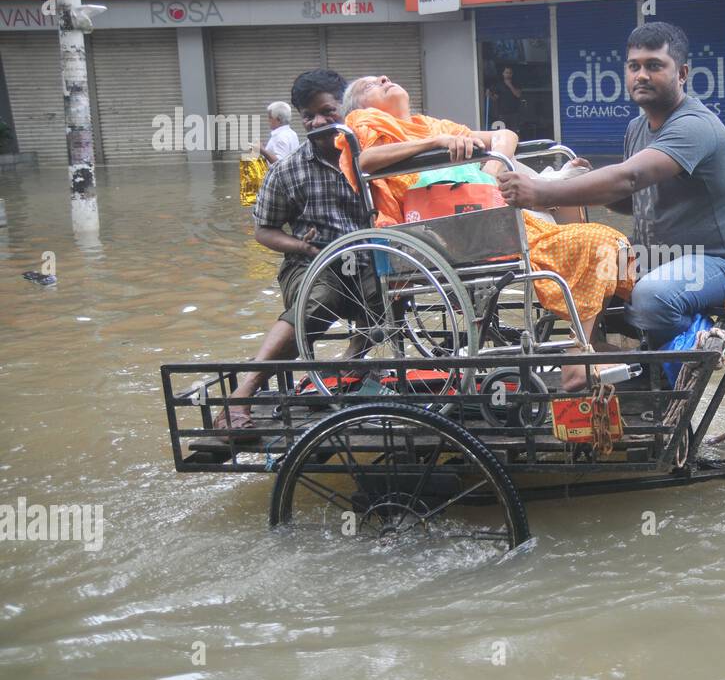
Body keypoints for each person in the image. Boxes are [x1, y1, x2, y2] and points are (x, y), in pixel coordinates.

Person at [336, 74, 636, 391]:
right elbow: (363, 161)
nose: (384, 79)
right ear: (361, 104)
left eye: (383, 78)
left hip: (485, 214)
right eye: (370, 85)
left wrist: (492, 169)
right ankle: (578, 359)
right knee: (600, 242)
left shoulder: (429, 123)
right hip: (443, 231)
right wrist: (435, 144)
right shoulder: (365, 121)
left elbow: (504, 134)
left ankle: (587, 346)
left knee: (609, 244)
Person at [498, 22, 725, 348]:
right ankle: (593, 360)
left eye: (654, 66)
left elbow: (627, 178)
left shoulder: (695, 126)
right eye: (634, 66)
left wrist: (540, 192)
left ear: (682, 73)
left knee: (650, 299)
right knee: (586, 263)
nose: (641, 75)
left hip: (722, 263)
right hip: (659, 256)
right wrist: (579, 184)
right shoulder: (636, 128)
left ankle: (689, 343)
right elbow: (630, 198)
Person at [215, 69, 369, 431]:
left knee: (396, 283)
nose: (318, 122)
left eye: (328, 111)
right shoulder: (286, 171)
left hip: (367, 259)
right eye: (308, 115)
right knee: (320, 300)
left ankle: (355, 357)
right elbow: (263, 231)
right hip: (310, 263)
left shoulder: (373, 157)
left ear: (347, 109)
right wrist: (301, 245)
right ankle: (244, 393)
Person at [254, 100, 299, 165]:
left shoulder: (281, 137)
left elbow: (280, 164)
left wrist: (262, 150)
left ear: (278, 119)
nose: (268, 120)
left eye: (270, 117)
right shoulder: (291, 133)